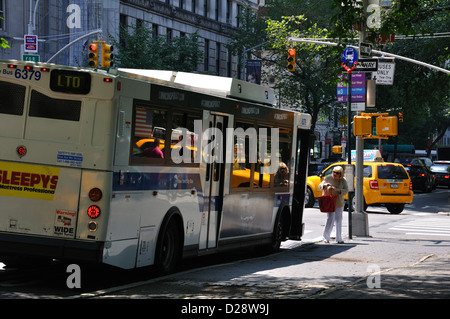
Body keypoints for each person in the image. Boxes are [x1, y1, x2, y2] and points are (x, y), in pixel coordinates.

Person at [319, 166, 348, 244]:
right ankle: (325, 237)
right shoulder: (328, 178)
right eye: (334, 172)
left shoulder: (343, 181)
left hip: (339, 202)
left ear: (341, 174)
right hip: (329, 201)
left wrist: (338, 190)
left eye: (337, 173)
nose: (335, 174)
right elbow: (320, 186)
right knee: (330, 218)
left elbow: (346, 190)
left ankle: (339, 238)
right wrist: (325, 185)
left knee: (338, 220)